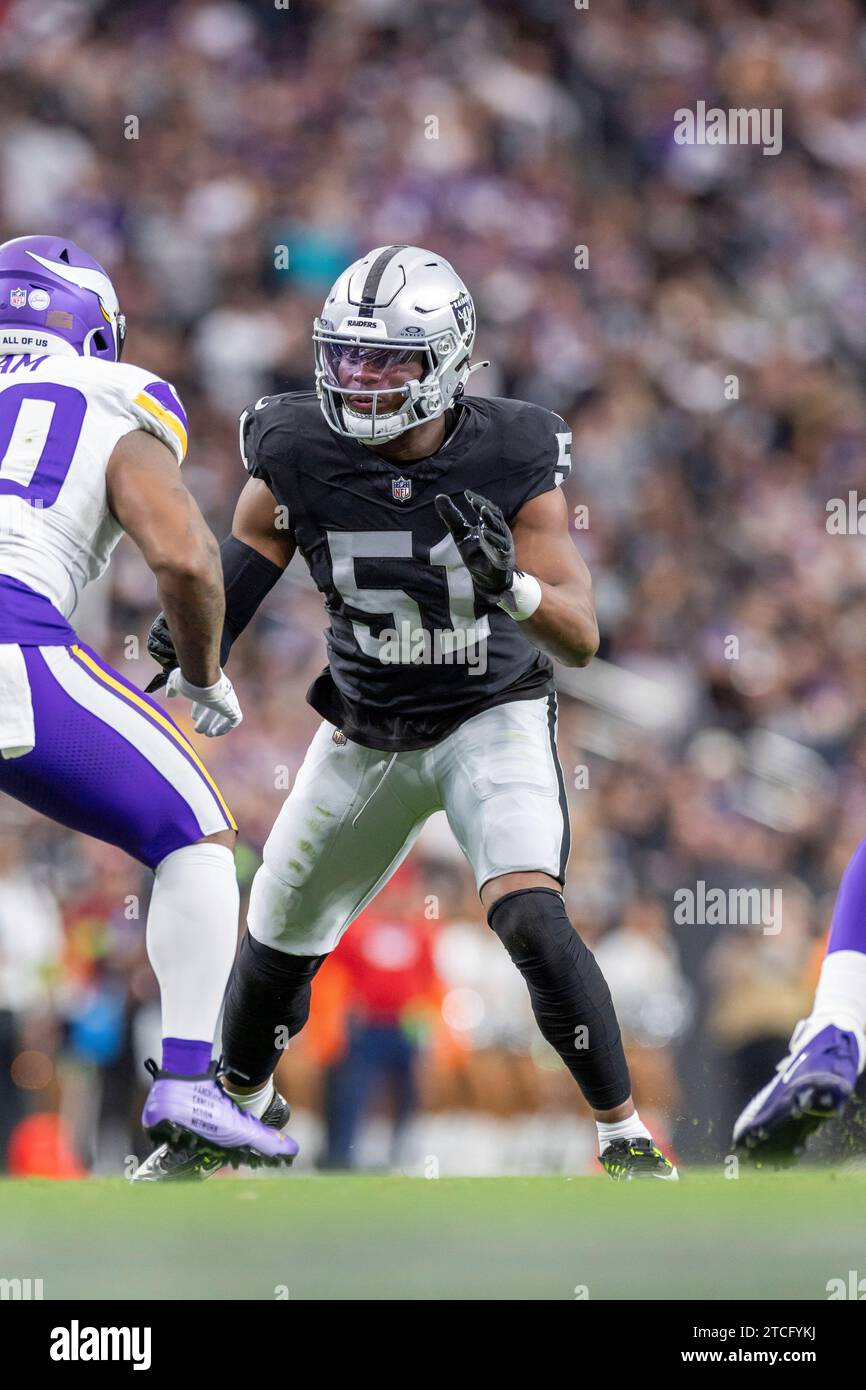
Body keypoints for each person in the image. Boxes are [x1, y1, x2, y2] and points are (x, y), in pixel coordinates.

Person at [145, 244, 678, 1181]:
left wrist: (510, 586)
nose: (363, 378)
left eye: (389, 360)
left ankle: (625, 1136)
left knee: (528, 917)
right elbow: (250, 555)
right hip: (364, 724)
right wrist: (192, 643)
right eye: (349, 356)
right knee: (275, 932)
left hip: (489, 713)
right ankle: (226, 1121)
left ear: (448, 359)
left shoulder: (512, 448)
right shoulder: (295, 443)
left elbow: (582, 636)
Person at [0, 235, 297, 1174]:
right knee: (196, 833)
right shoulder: (109, 391)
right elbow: (183, 554)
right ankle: (190, 1082)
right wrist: (204, 671)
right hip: (12, 627)